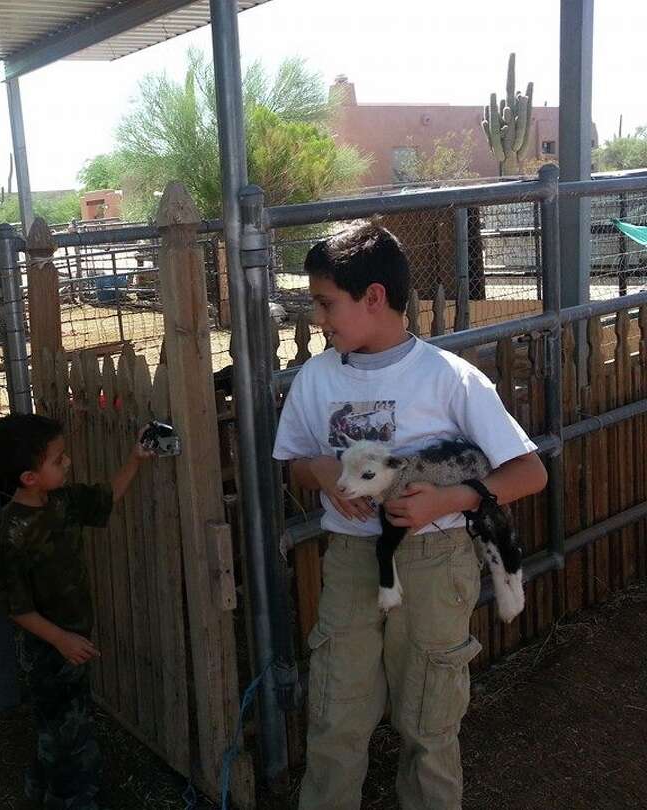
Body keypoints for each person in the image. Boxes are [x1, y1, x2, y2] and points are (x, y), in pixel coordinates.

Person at [273, 222, 547, 810]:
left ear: (373, 297)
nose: (317, 318)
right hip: (352, 561)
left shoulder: (450, 378)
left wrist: (449, 500)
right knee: (335, 718)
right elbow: (296, 464)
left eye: (326, 303)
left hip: (434, 564)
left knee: (430, 724)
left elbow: (529, 473)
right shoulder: (317, 378)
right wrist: (321, 471)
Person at [0, 413, 152, 810]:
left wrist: (135, 458)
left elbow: (105, 498)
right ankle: (71, 798)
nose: (68, 462)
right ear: (30, 477)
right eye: (58, 459)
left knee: (62, 723)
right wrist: (61, 640)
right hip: (48, 650)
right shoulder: (13, 531)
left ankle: (41, 784)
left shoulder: (61, 500)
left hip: (72, 641)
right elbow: (16, 607)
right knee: (67, 730)